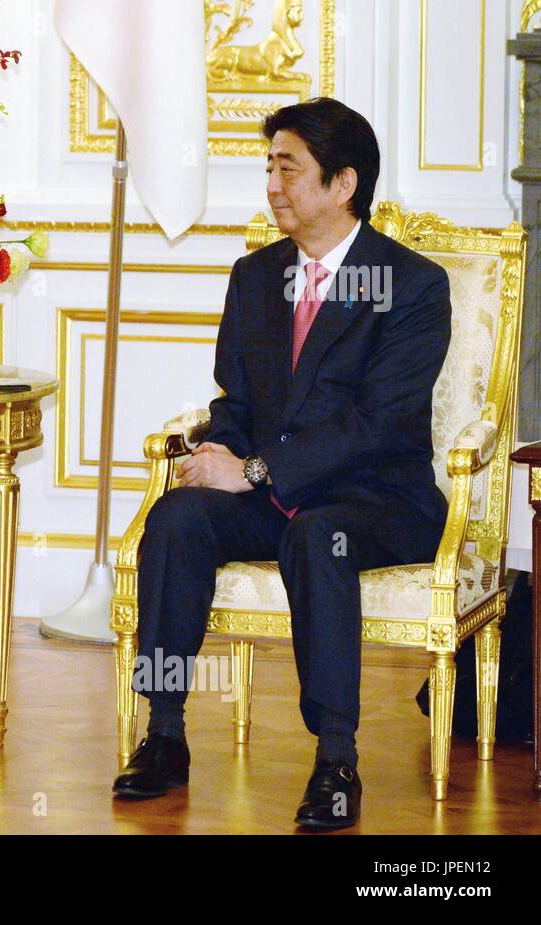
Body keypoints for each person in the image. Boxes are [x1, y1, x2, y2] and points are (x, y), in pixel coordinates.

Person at [112, 98, 452, 829]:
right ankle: (164, 732)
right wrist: (218, 452)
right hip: (272, 490)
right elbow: (238, 397)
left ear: (342, 183)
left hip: (376, 499)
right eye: (268, 165)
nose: (271, 183)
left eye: (288, 167)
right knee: (176, 520)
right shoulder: (255, 276)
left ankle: (335, 759)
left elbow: (376, 426)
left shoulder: (412, 285)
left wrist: (259, 470)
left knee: (318, 534)